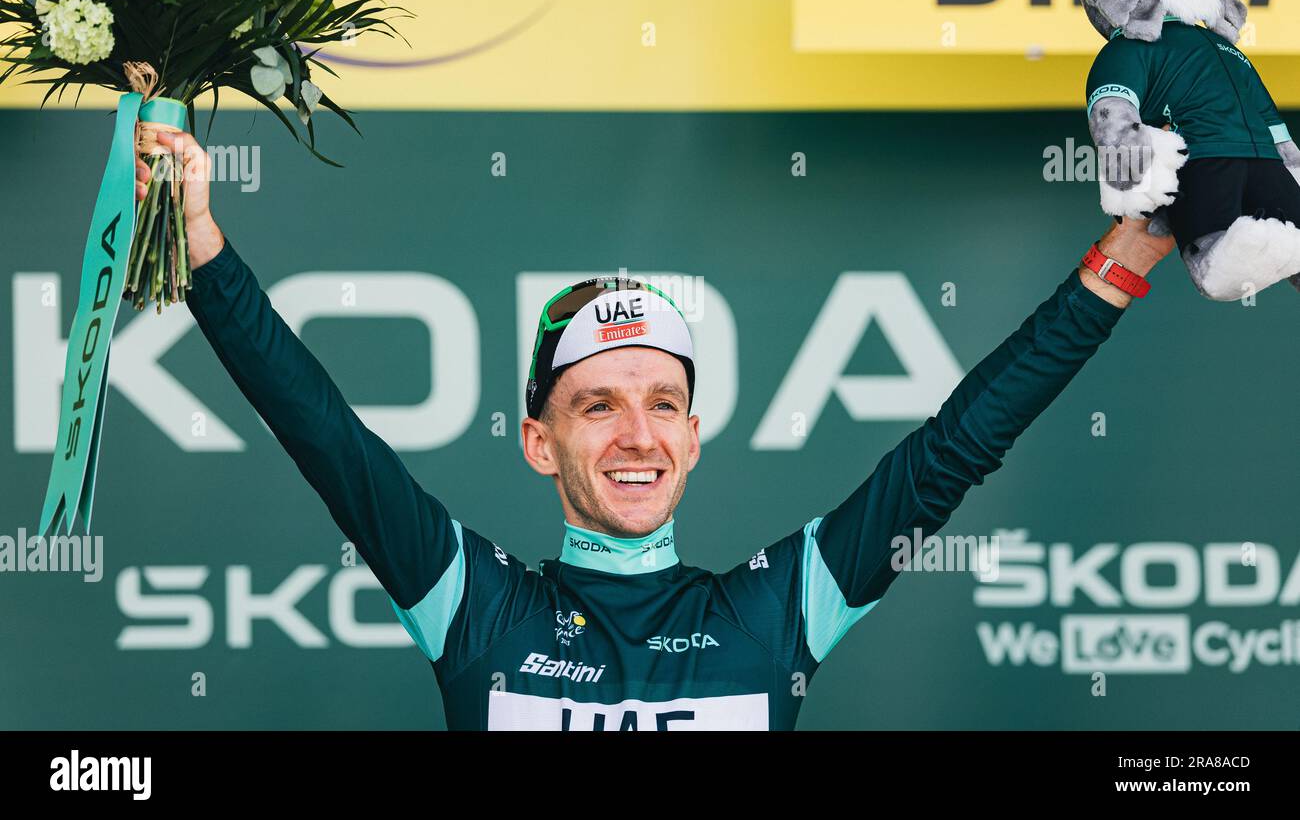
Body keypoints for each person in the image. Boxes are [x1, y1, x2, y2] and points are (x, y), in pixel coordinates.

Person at [140, 129, 1174, 730]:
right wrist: (200, 241)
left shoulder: (779, 613)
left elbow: (959, 441)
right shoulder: (475, 606)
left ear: (692, 432)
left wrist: (1129, 252)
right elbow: (320, 430)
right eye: (597, 404)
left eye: (661, 403)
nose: (637, 433)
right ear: (538, 439)